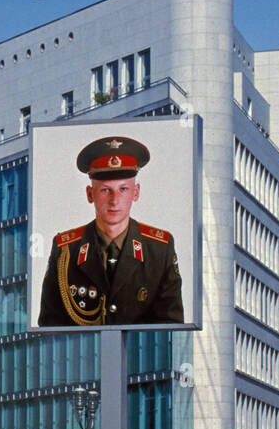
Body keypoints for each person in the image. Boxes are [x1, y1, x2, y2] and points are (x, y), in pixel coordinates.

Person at [38, 136, 183, 327]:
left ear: (136, 192)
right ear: (90, 194)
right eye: (105, 190)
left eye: (123, 189)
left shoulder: (159, 248)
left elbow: (171, 327)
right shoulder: (66, 249)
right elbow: (51, 327)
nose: (115, 201)